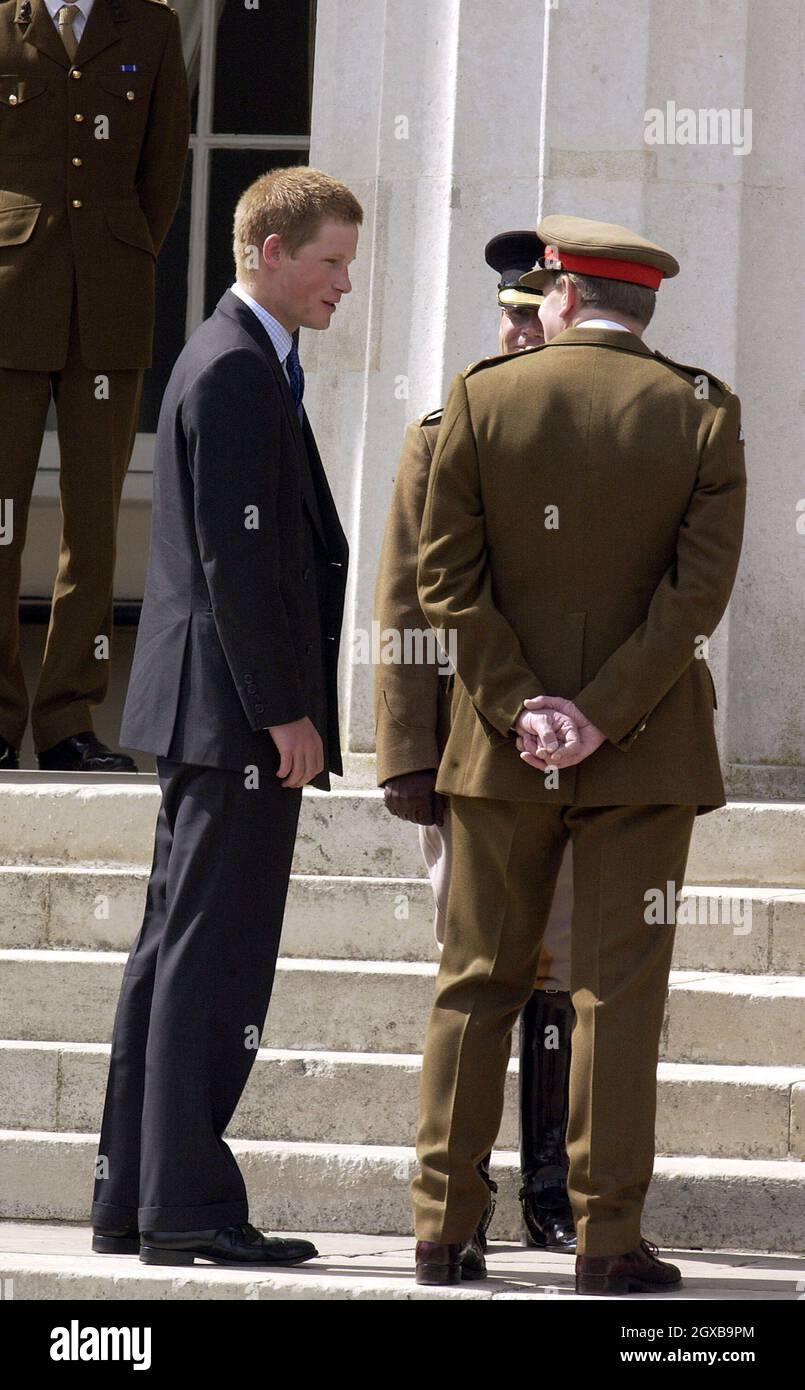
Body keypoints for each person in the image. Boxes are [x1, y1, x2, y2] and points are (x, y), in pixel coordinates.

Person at [411, 215, 747, 1293]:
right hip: (642, 752)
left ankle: (442, 1229)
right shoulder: (700, 411)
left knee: (475, 984)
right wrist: (600, 713)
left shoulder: (478, 396)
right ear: (642, 306)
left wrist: (521, 708)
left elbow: (443, 583)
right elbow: (695, 597)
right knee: (616, 995)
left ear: (555, 296)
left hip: (498, 756)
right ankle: (606, 1243)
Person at [89, 166, 362, 1268]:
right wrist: (287, 713)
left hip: (207, 711)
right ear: (266, 253)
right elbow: (237, 563)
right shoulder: (241, 370)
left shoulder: (236, 359)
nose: (345, 284)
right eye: (330, 261)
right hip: (234, 718)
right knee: (214, 958)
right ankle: (188, 1207)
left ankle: (136, 1194)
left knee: (174, 951)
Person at [373, 231, 576, 1281]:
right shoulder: (442, 431)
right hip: (469, 757)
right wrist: (407, 755)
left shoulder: (594, 433)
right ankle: (464, 1200)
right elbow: (406, 604)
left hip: (582, 758)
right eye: (503, 312)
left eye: (530, 312)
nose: (511, 330)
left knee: (563, 976)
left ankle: (555, 1189)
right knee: (477, 976)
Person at [0, 0, 189, 771]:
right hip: (8, 294)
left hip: (109, 301)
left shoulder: (149, 26)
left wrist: (124, 254)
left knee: (94, 526)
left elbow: (163, 171)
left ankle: (68, 722)